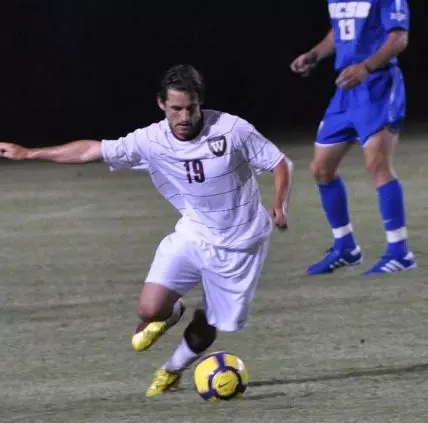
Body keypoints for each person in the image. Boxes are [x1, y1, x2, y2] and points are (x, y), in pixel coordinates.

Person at [0, 64, 293, 396]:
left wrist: (280, 203)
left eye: (191, 108)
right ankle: (170, 312)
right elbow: (91, 150)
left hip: (242, 243)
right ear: (161, 105)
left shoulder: (231, 129)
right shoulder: (151, 139)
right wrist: (29, 152)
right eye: (175, 109)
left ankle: (171, 370)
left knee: (211, 319)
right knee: (148, 311)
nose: (184, 117)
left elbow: (278, 162)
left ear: (200, 103)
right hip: (194, 234)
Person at [290, 0, 415, 275]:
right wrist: (313, 55)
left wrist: (366, 68)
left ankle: (399, 252)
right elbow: (339, 31)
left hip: (378, 83)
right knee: (321, 169)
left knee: (377, 165)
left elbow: (398, 39)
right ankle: (346, 247)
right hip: (347, 88)